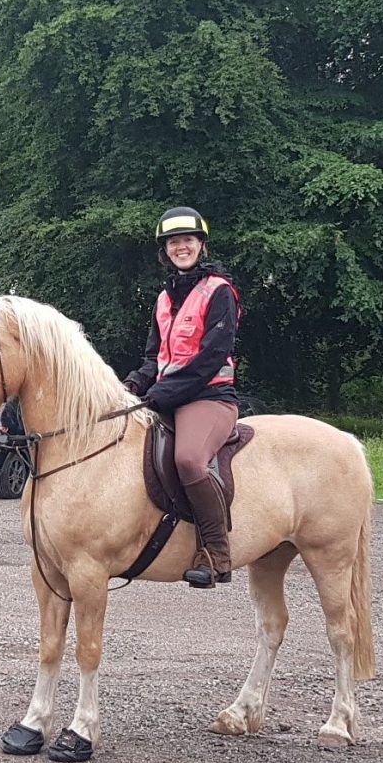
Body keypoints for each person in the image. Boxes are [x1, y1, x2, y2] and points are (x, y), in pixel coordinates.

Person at [121, 206, 242, 589]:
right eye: (174, 242)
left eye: (188, 240)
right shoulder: (163, 299)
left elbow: (208, 360)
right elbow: (154, 359)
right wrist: (131, 386)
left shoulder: (220, 292)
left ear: (201, 245)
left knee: (189, 459)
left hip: (210, 398)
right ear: (166, 251)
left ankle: (216, 553)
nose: (181, 247)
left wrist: (161, 393)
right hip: (168, 397)